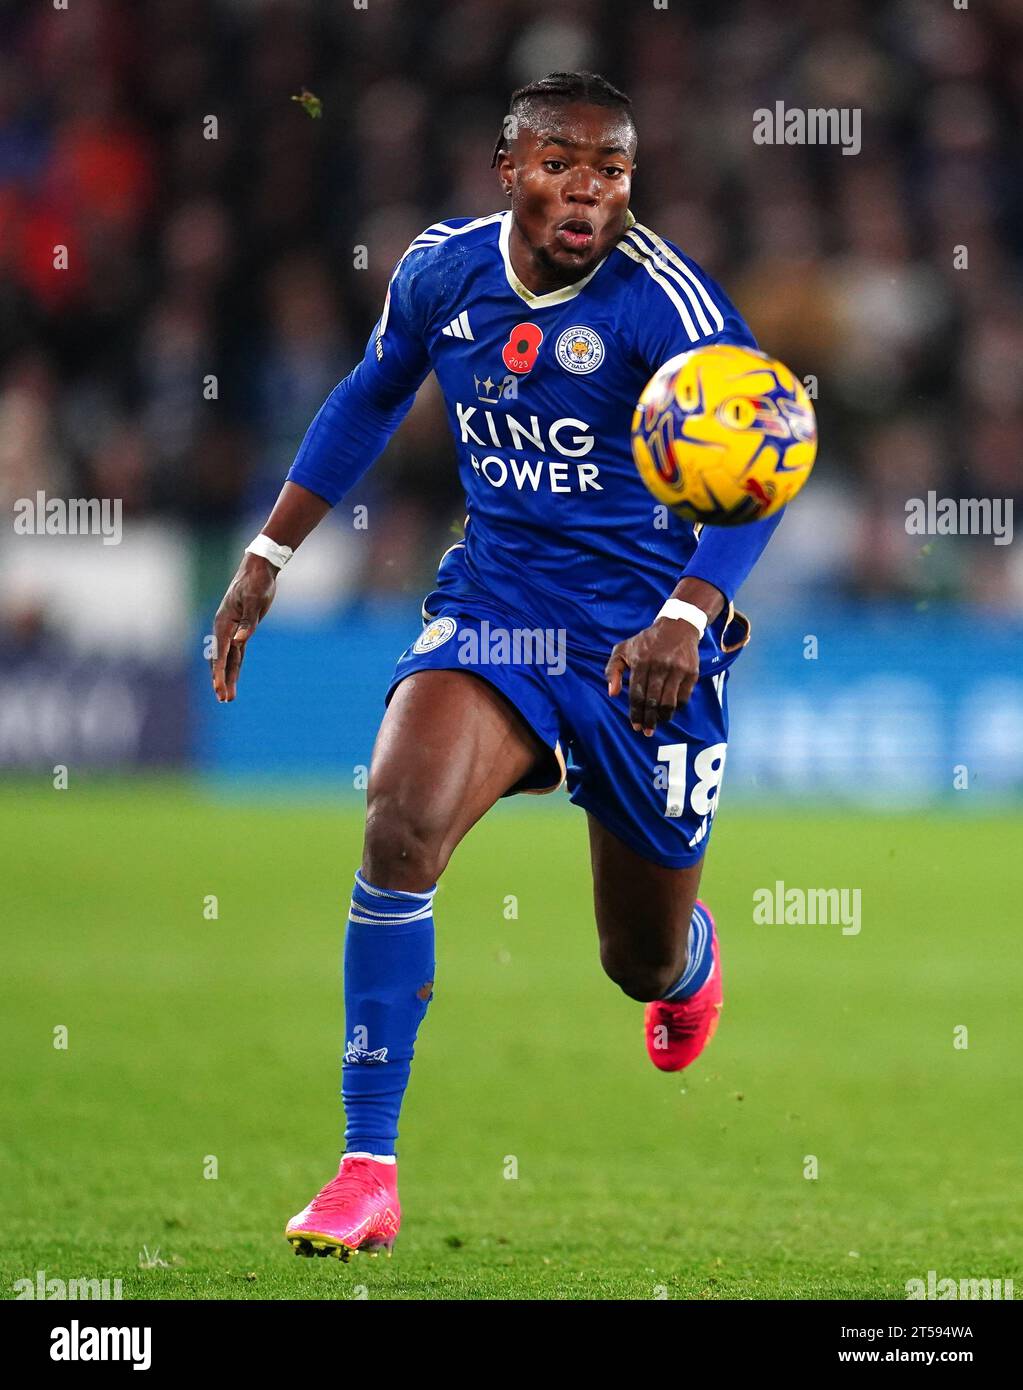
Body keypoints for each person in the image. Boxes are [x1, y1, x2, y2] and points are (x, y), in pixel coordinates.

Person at [210, 71, 783, 1260]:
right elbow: (371, 395)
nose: (589, 190)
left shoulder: (669, 303)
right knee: (398, 821)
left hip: (642, 648)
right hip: (500, 608)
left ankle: (693, 957)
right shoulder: (441, 271)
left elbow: (763, 463)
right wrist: (269, 552)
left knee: (637, 959)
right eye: (563, 163)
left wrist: (689, 611)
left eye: (613, 169)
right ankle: (367, 1168)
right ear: (508, 167)